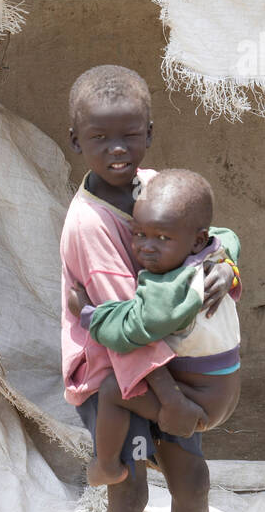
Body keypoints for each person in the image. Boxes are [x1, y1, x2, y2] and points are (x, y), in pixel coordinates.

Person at [60, 64, 265, 512]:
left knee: (194, 480)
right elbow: (127, 331)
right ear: (77, 142)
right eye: (100, 139)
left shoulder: (157, 188)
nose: (117, 149)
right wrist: (173, 399)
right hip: (118, 375)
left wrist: (225, 263)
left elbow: (210, 232)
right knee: (129, 492)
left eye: (130, 135)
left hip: (168, 373)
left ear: (149, 133)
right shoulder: (90, 225)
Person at [72, 169, 243, 488]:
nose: (146, 248)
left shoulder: (173, 289)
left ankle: (106, 466)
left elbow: (130, 332)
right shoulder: (214, 251)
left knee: (112, 389)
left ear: (196, 239)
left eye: (162, 238)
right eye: (139, 234)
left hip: (198, 402)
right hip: (225, 388)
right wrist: (229, 266)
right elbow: (229, 235)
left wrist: (88, 314)